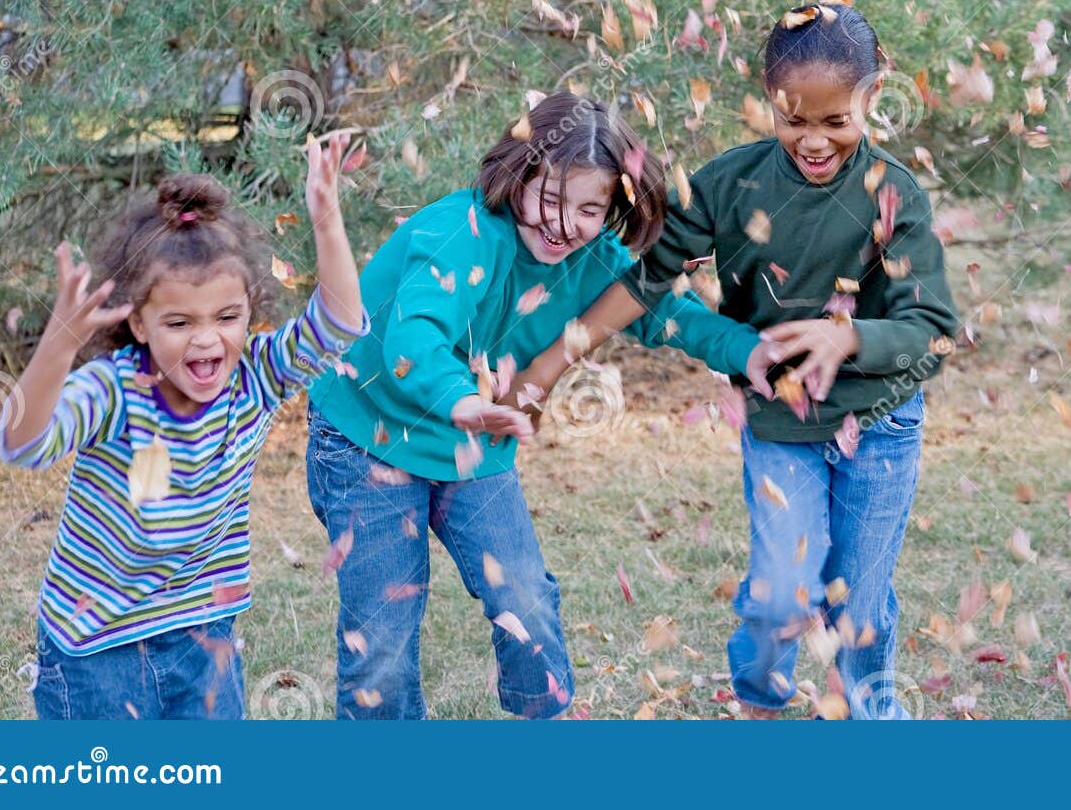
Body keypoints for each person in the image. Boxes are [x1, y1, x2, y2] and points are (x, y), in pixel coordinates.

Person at [517, 0, 960, 719]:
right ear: (768, 102)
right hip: (783, 424)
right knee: (783, 595)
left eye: (835, 122)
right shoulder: (729, 184)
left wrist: (849, 337)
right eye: (795, 120)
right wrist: (549, 365)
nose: (813, 141)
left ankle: (874, 721)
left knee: (862, 605)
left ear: (874, 95)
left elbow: (933, 330)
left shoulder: (895, 196)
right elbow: (645, 280)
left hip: (880, 425)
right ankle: (760, 698)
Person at [303, 92, 773, 719]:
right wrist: (463, 401)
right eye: (551, 197)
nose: (563, 223)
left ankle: (541, 723)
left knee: (524, 598)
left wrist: (751, 352)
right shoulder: (459, 234)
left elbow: (663, 314)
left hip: (476, 449)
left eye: (589, 208)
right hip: (370, 441)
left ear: (612, 210)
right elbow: (413, 337)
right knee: (383, 632)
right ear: (518, 173)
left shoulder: (591, 258)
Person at [0, 134, 367, 720]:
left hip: (202, 631)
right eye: (177, 321)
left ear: (250, 308)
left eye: (226, 317)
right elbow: (24, 443)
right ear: (139, 324)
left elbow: (340, 323)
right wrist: (60, 342)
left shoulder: (257, 375)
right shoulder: (115, 390)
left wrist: (325, 217)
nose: (205, 338)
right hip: (95, 647)